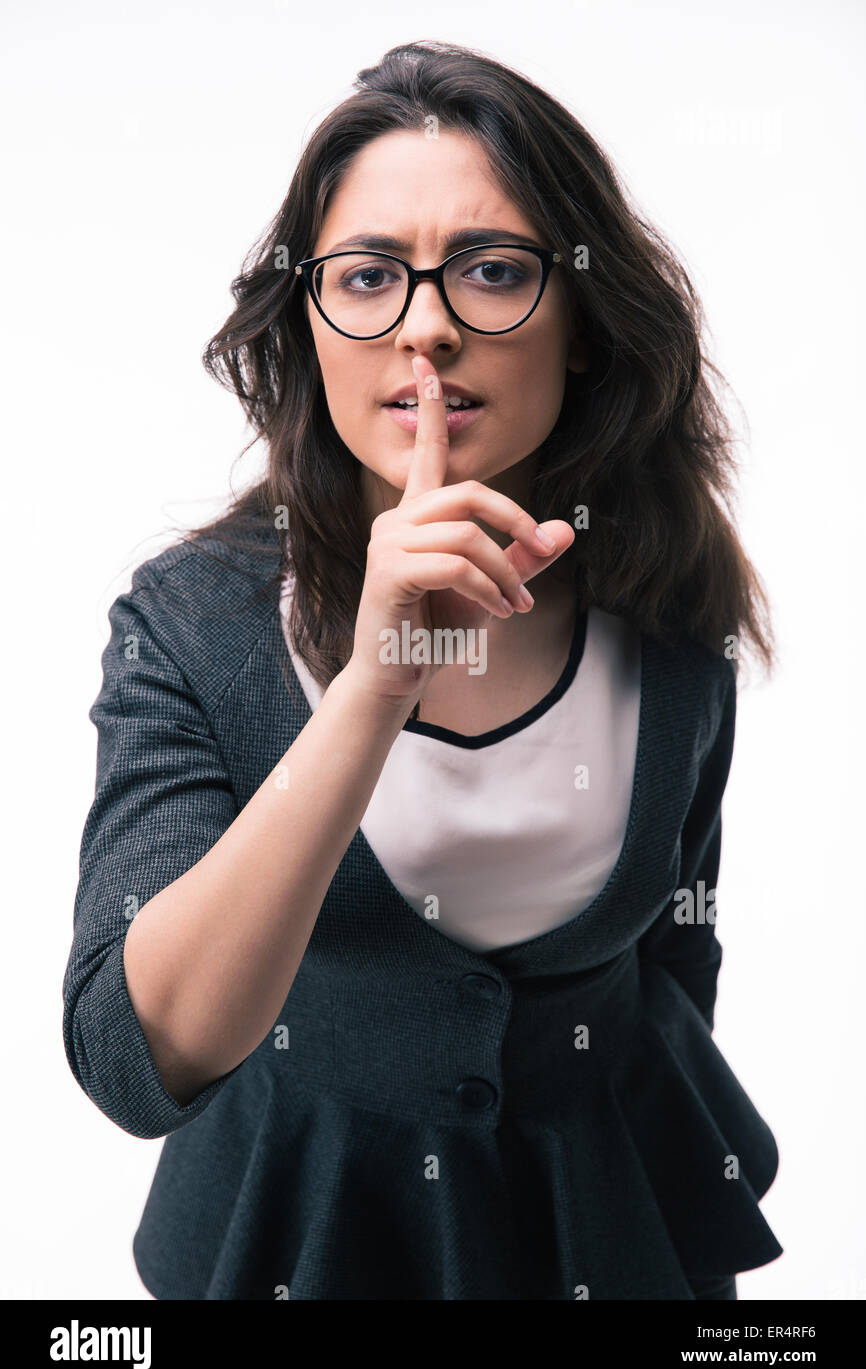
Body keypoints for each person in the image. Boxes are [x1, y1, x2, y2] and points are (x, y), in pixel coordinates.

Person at [63, 40, 783, 1300]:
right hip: (303, 1237)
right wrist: (374, 684)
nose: (428, 326)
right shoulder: (191, 623)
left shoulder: (666, 598)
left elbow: (679, 946)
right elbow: (137, 1057)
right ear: (309, 322)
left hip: (614, 1234)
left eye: (492, 270)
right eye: (367, 276)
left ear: (580, 321)